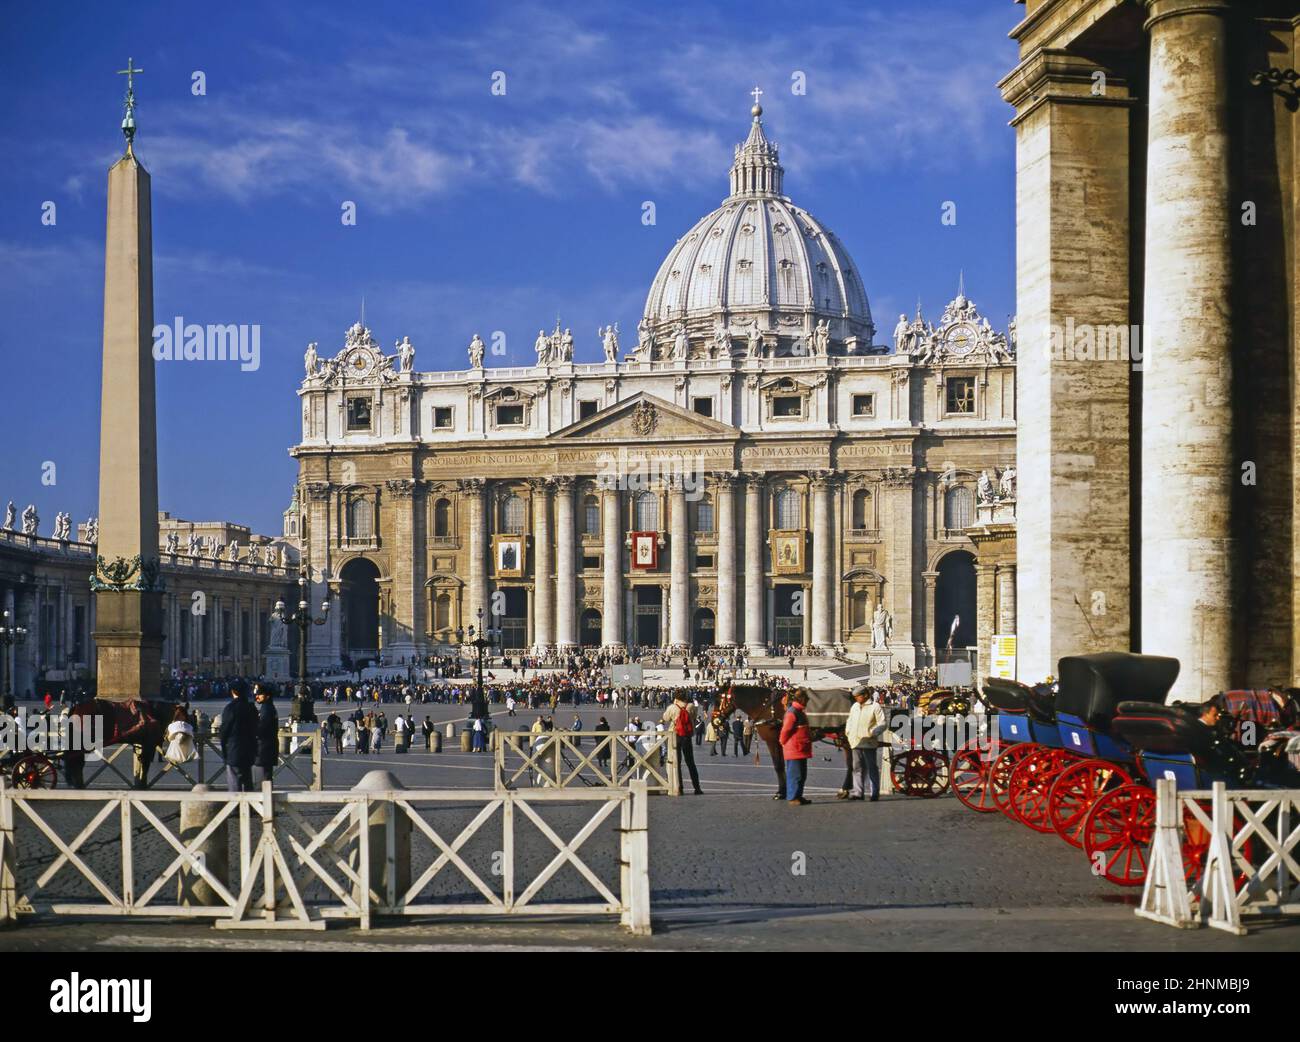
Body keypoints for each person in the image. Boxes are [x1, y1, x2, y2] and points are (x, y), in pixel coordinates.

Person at [845, 685, 887, 801]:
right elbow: (849, 721)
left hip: (869, 741)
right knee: (856, 767)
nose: (856, 699)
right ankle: (858, 792)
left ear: (865, 695)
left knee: (872, 767)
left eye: (858, 696)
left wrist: (873, 733)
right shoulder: (854, 706)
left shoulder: (875, 706)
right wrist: (848, 733)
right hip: (856, 741)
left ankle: (874, 793)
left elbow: (882, 723)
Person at [219, 680, 258, 792]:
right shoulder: (251, 708)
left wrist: (224, 750)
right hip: (249, 750)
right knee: (247, 781)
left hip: (234, 750)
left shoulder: (230, 708)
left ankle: (235, 808)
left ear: (233, 692)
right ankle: (250, 807)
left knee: (234, 782)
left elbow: (224, 731)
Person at [662, 694, 703, 795]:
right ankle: (697, 788)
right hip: (687, 736)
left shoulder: (672, 707)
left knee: (677, 763)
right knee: (691, 763)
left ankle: (679, 788)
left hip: (674, 735)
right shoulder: (691, 706)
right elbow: (694, 717)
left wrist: (674, 706)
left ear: (676, 698)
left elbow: (665, 718)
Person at [779, 688, 813, 805]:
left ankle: (798, 795)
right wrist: (783, 742)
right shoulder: (792, 712)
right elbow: (786, 730)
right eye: (807, 699)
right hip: (794, 748)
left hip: (801, 748)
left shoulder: (799, 711)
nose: (808, 701)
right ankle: (792, 797)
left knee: (802, 774)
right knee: (795, 774)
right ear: (802, 699)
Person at [253, 683, 278, 788]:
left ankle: (266, 799)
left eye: (260, 694)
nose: (257, 696)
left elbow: (262, 727)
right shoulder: (267, 707)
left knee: (266, 776)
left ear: (267, 696)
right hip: (269, 745)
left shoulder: (266, 709)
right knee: (266, 775)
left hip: (265, 746)